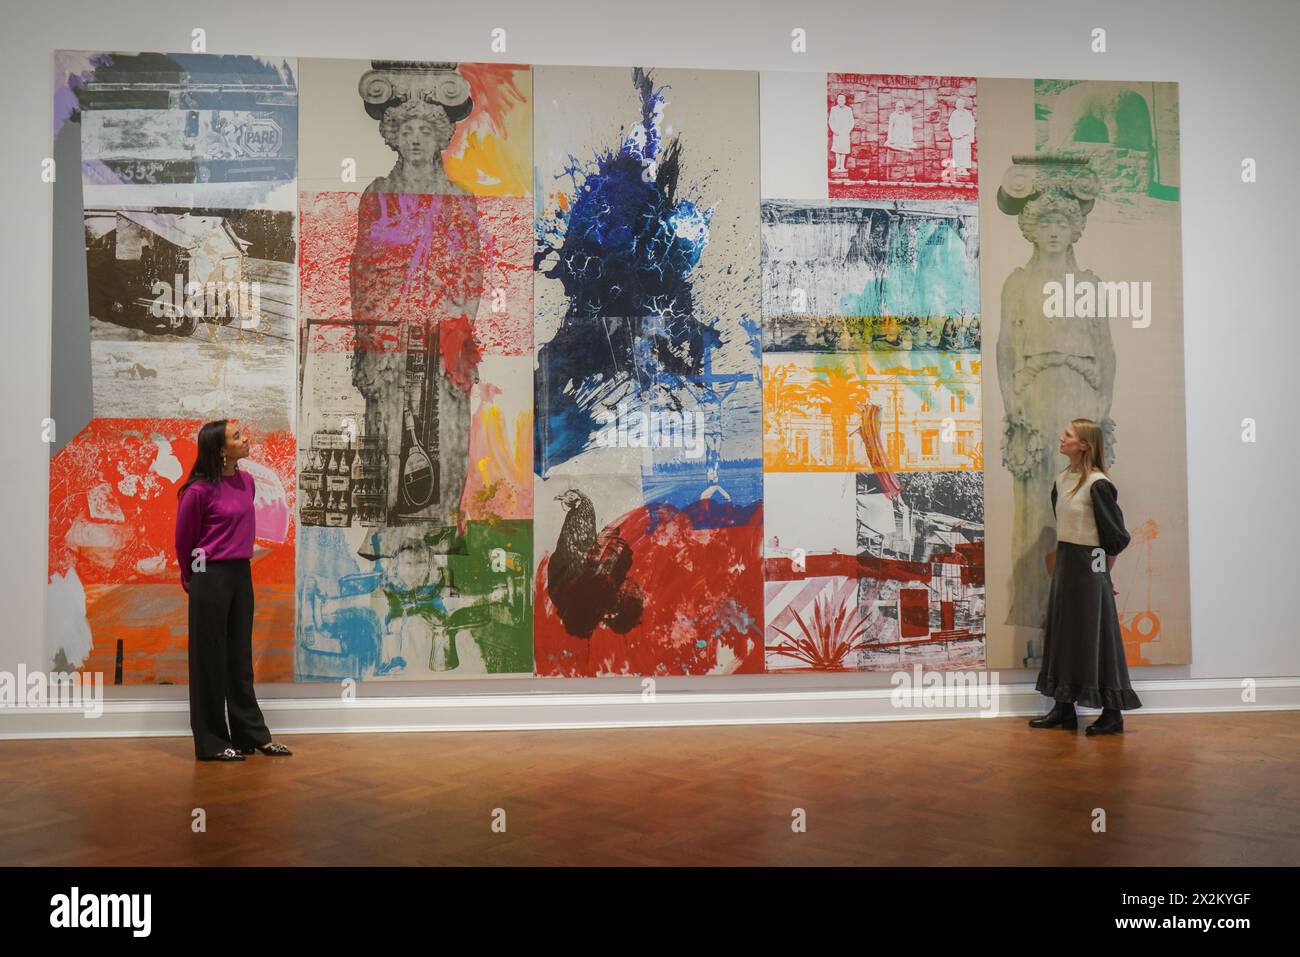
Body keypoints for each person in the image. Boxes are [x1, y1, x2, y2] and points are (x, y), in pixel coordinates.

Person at [175, 419, 292, 761]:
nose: (245, 439)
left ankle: (250, 734)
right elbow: (185, 542)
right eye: (237, 436)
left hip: (241, 574)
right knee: (208, 660)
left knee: (239, 658)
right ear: (221, 449)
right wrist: (192, 579)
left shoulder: (247, 482)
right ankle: (212, 740)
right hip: (209, 576)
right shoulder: (197, 492)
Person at [1029, 418, 1140, 735]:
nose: (1061, 438)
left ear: (1084, 445)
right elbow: (1064, 526)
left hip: (1090, 565)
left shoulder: (1098, 484)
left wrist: (1102, 574)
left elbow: (1115, 537)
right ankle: (1063, 708)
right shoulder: (1063, 479)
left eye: (1068, 435)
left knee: (1097, 635)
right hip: (1066, 562)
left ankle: (1113, 713)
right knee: (1063, 633)